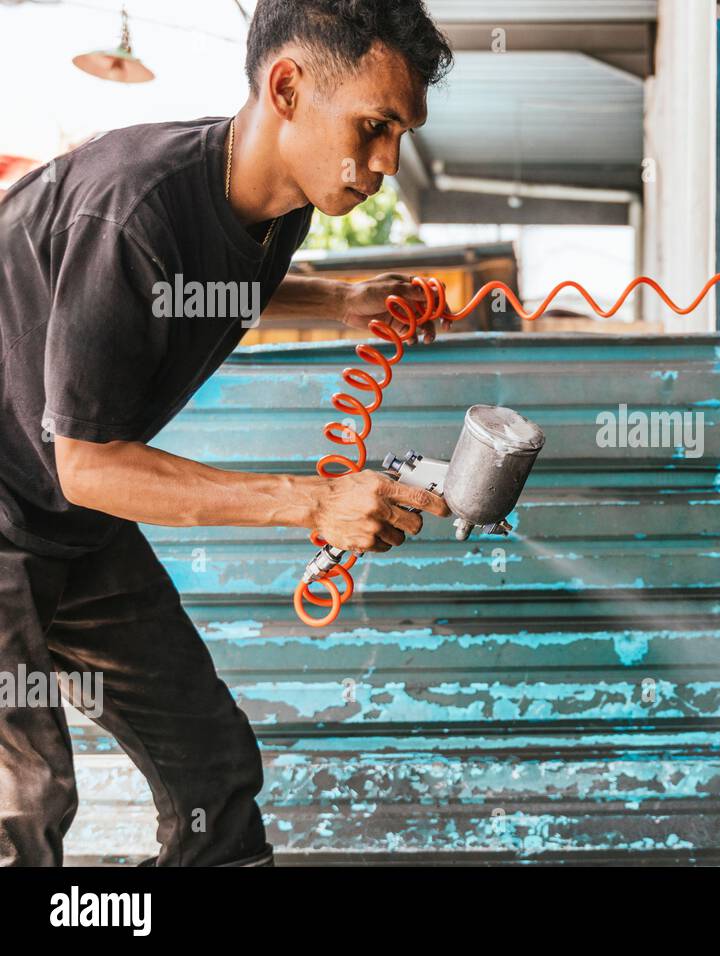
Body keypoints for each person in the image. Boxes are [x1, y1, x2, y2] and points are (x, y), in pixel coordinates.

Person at [0, 0, 454, 866]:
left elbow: (202, 277)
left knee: (213, 768)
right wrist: (313, 502)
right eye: (375, 125)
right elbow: (91, 465)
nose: (388, 162)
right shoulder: (130, 207)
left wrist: (338, 300)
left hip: (64, 518)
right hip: (28, 500)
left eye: (401, 132)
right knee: (26, 807)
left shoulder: (277, 204)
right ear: (287, 86)